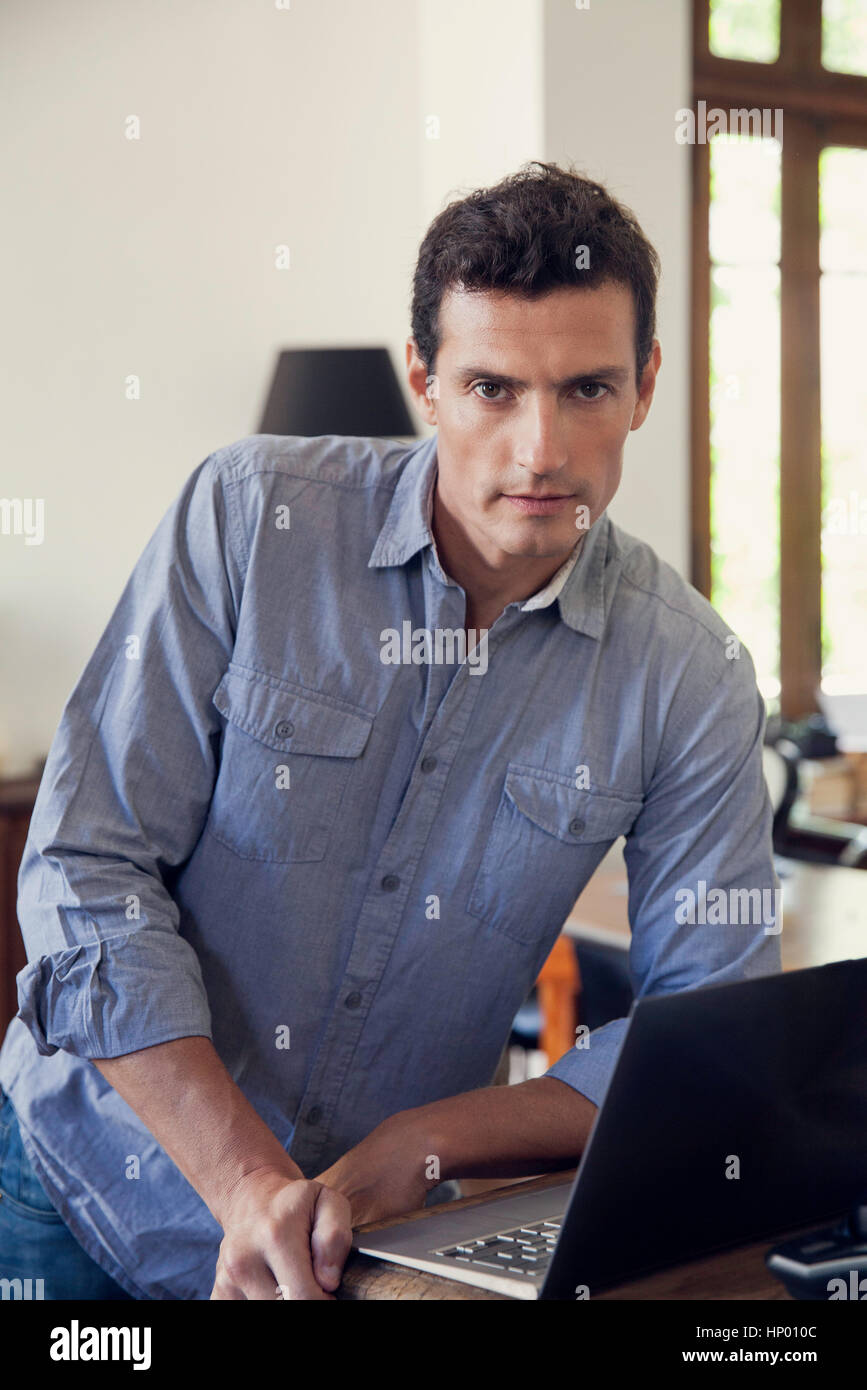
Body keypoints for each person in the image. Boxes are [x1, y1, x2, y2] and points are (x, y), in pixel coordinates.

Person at [0, 160, 780, 1301]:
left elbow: (702, 1045)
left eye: (588, 390)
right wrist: (248, 1186)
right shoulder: (246, 518)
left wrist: (425, 1142)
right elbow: (86, 870)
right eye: (492, 388)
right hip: (76, 1197)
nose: (542, 451)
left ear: (648, 384)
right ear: (423, 378)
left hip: (368, 1245)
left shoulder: (687, 672)